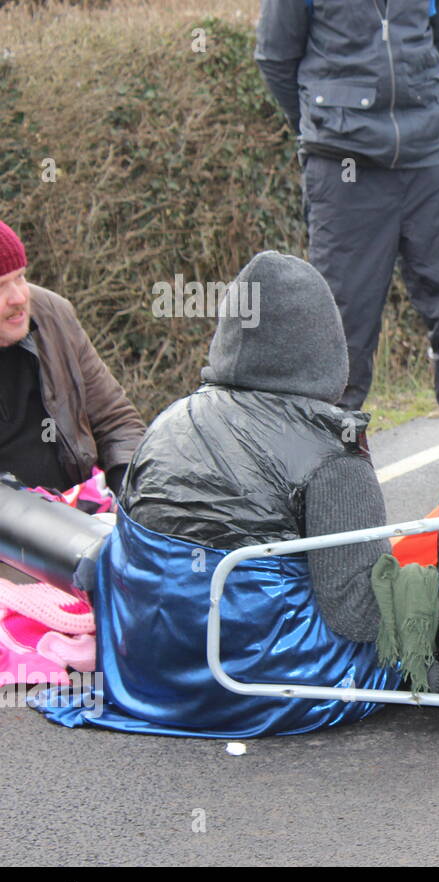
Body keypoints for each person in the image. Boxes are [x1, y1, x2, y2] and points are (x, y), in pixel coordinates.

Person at [36, 252, 401, 737]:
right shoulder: (332, 448)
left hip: (145, 679)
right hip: (264, 692)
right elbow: (360, 614)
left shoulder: (168, 422)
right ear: (327, 346)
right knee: (418, 629)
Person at [254, 0, 439, 460]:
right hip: (343, 162)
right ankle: (333, 436)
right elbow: (276, 57)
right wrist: (323, 124)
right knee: (344, 307)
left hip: (427, 153)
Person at [0, 219, 144, 496]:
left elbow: (115, 421)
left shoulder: (53, 315)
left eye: (20, 277)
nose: (18, 297)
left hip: (78, 514)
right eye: (1, 286)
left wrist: (131, 493)